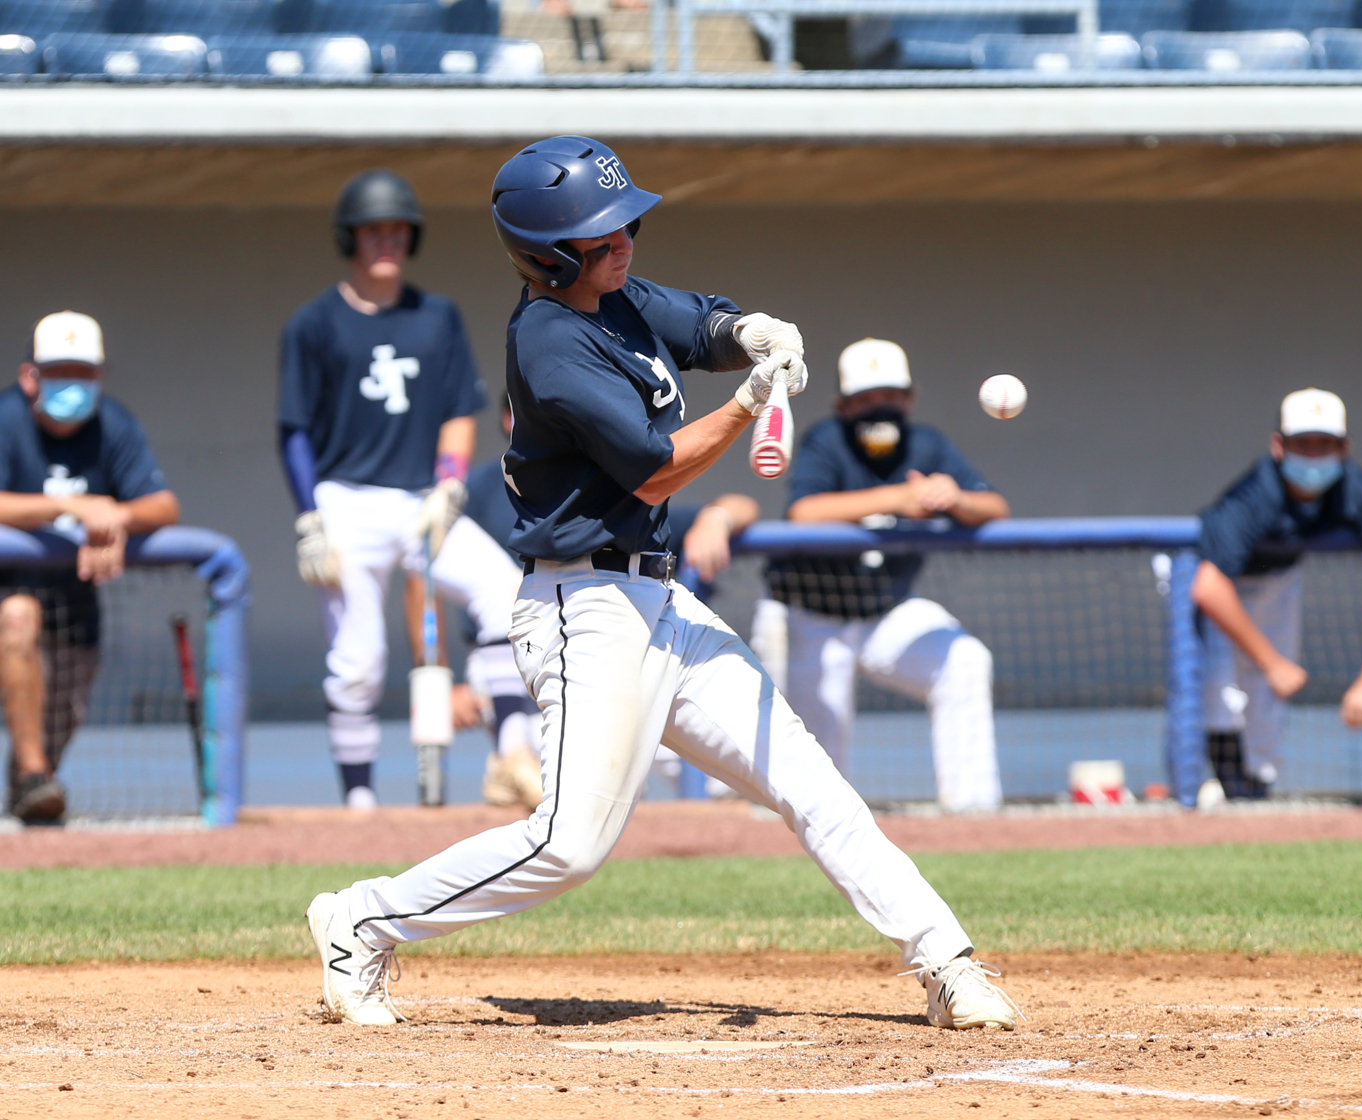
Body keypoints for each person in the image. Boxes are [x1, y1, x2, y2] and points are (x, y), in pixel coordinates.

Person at [306, 136, 1022, 1033]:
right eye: (601, 236)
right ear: (548, 253)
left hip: (663, 606)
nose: (623, 243)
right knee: (567, 849)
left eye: (624, 225)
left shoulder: (616, 295)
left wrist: (752, 334)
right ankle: (362, 920)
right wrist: (749, 404)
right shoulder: (549, 340)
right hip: (584, 610)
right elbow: (652, 471)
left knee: (812, 784)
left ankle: (948, 961)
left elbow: (700, 325)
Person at [278, 169, 489, 808]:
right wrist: (309, 516)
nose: (387, 241)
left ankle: (512, 754)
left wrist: (450, 485)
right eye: (374, 230)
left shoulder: (438, 316)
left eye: (398, 229)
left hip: (422, 498)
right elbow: (293, 431)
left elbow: (459, 410)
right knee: (358, 658)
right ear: (351, 237)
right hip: (345, 500)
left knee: (505, 596)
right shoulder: (313, 323)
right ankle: (360, 802)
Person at [454, 392, 760, 810]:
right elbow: (430, 575)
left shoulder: (603, 477)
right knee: (540, 784)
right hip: (511, 655)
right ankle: (512, 760)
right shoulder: (480, 488)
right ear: (509, 420)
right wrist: (438, 675)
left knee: (707, 787)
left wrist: (716, 517)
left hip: (607, 644)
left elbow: (741, 504)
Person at [752, 338, 1008, 813]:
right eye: (867, 399)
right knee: (817, 764)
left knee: (964, 660)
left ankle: (974, 816)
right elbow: (804, 512)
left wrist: (953, 497)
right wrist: (896, 499)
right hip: (808, 615)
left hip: (883, 611)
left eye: (890, 396)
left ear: (908, 399)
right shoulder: (827, 439)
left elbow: (993, 507)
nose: (880, 408)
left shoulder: (926, 443)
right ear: (844, 406)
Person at [0, 311, 180, 824]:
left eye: (83, 372)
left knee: (62, 716)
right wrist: (74, 507)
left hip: (76, 597)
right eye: (59, 371)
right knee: (17, 617)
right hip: (9, 586)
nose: (72, 384)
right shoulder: (7, 419)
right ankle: (33, 775)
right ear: (30, 375)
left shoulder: (114, 424)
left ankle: (32, 789)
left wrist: (117, 514)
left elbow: (164, 506)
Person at [1192, 388, 1362, 799]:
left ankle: (1254, 794)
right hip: (1209, 581)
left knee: (1264, 706)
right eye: (1303, 443)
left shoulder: (1353, 486)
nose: (1315, 455)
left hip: (1276, 578)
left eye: (1326, 444)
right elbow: (1209, 586)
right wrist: (1271, 663)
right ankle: (1209, 791)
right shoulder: (1258, 492)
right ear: (1278, 445)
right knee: (1219, 691)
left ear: (1344, 449)